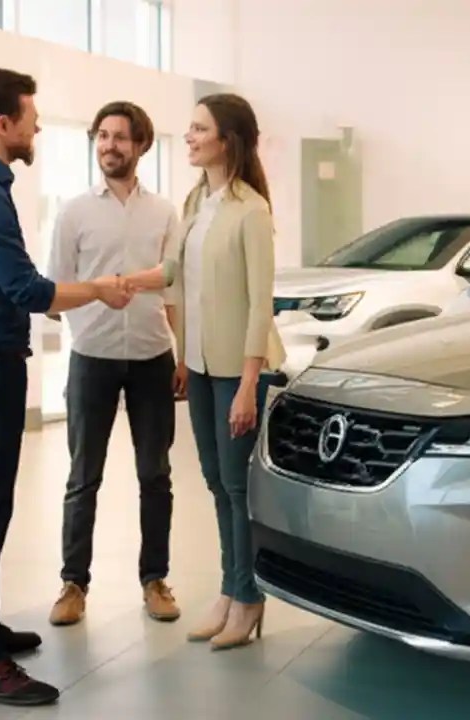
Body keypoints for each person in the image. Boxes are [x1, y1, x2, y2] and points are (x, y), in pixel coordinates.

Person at [0, 67, 133, 707]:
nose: (38, 125)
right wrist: (99, 290)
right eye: (30, 115)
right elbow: (28, 289)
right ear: (3, 124)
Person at [44, 101, 182, 627]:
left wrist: (184, 353)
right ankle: (73, 583)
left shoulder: (164, 212)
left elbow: (175, 287)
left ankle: (155, 580)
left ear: (141, 145)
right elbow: (56, 293)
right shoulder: (74, 211)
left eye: (120, 137)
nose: (109, 146)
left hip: (152, 356)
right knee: (83, 477)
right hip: (92, 360)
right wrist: (92, 302)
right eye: (102, 136)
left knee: (157, 475)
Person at [155, 93, 284, 651]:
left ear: (225, 139)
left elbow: (262, 304)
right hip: (203, 365)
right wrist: (117, 286)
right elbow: (174, 276)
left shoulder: (251, 210)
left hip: (239, 370)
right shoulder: (193, 203)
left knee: (237, 486)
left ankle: (249, 596)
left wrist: (250, 385)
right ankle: (230, 591)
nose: (188, 137)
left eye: (198, 129)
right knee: (214, 482)